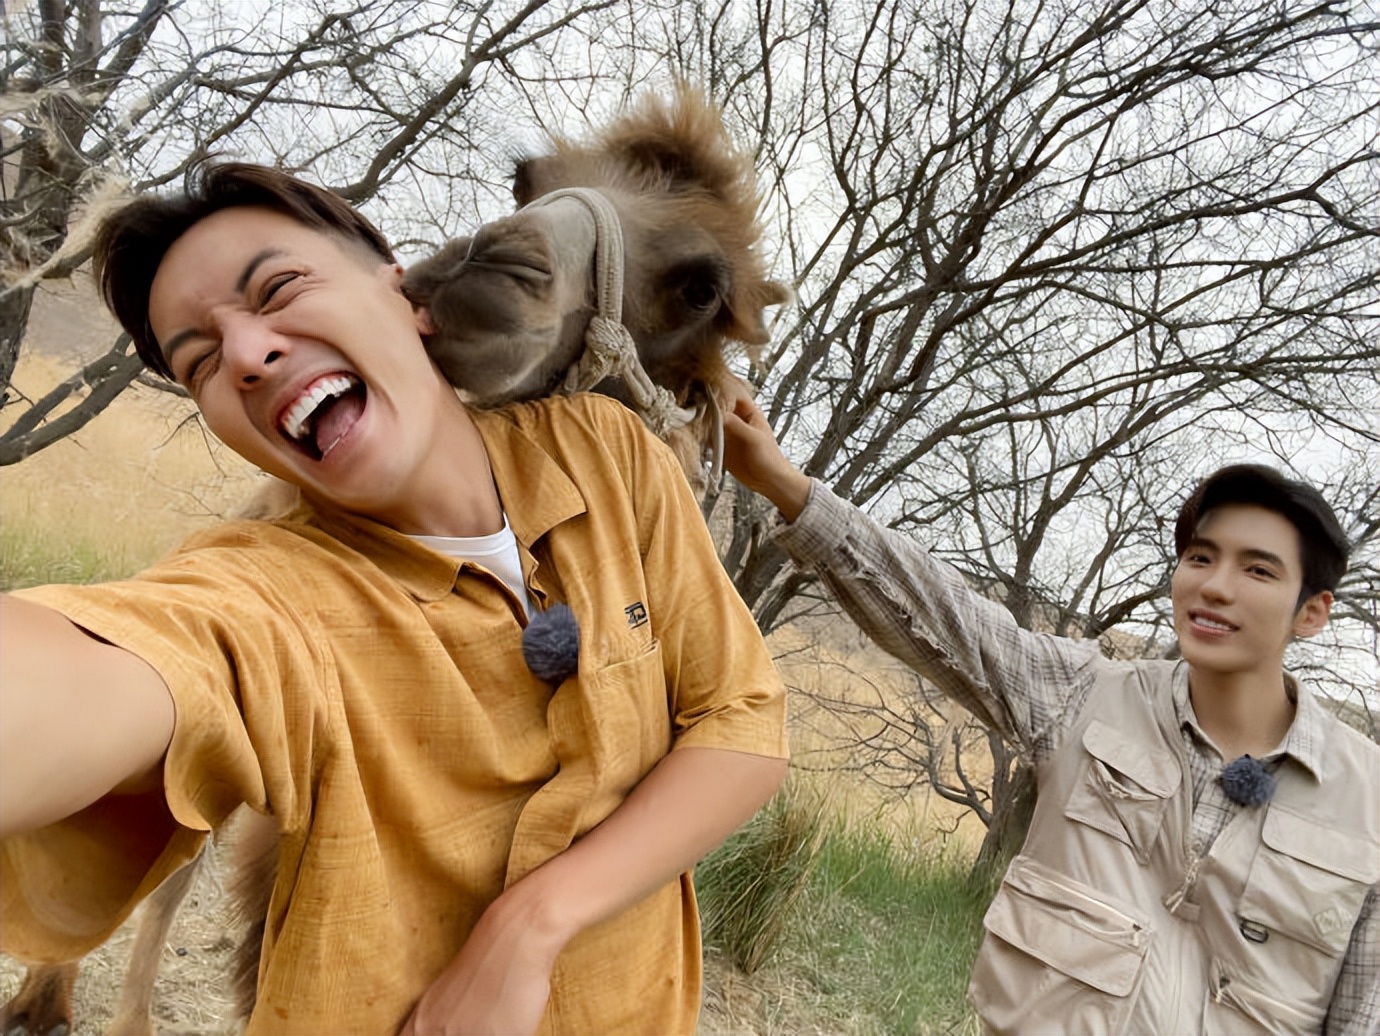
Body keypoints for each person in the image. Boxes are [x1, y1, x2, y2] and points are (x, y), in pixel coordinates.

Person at [0, 163, 789, 1036]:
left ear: (404, 289)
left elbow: (744, 715)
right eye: (200, 365)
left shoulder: (609, 453)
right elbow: (117, 668)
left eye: (281, 287)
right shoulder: (263, 599)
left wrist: (531, 926)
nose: (248, 355)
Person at [722, 392, 1378, 1035]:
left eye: (1257, 571)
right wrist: (781, 482)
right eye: (1200, 558)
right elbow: (945, 616)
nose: (1215, 584)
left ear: (1312, 612)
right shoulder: (1085, 696)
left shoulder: (1369, 800)